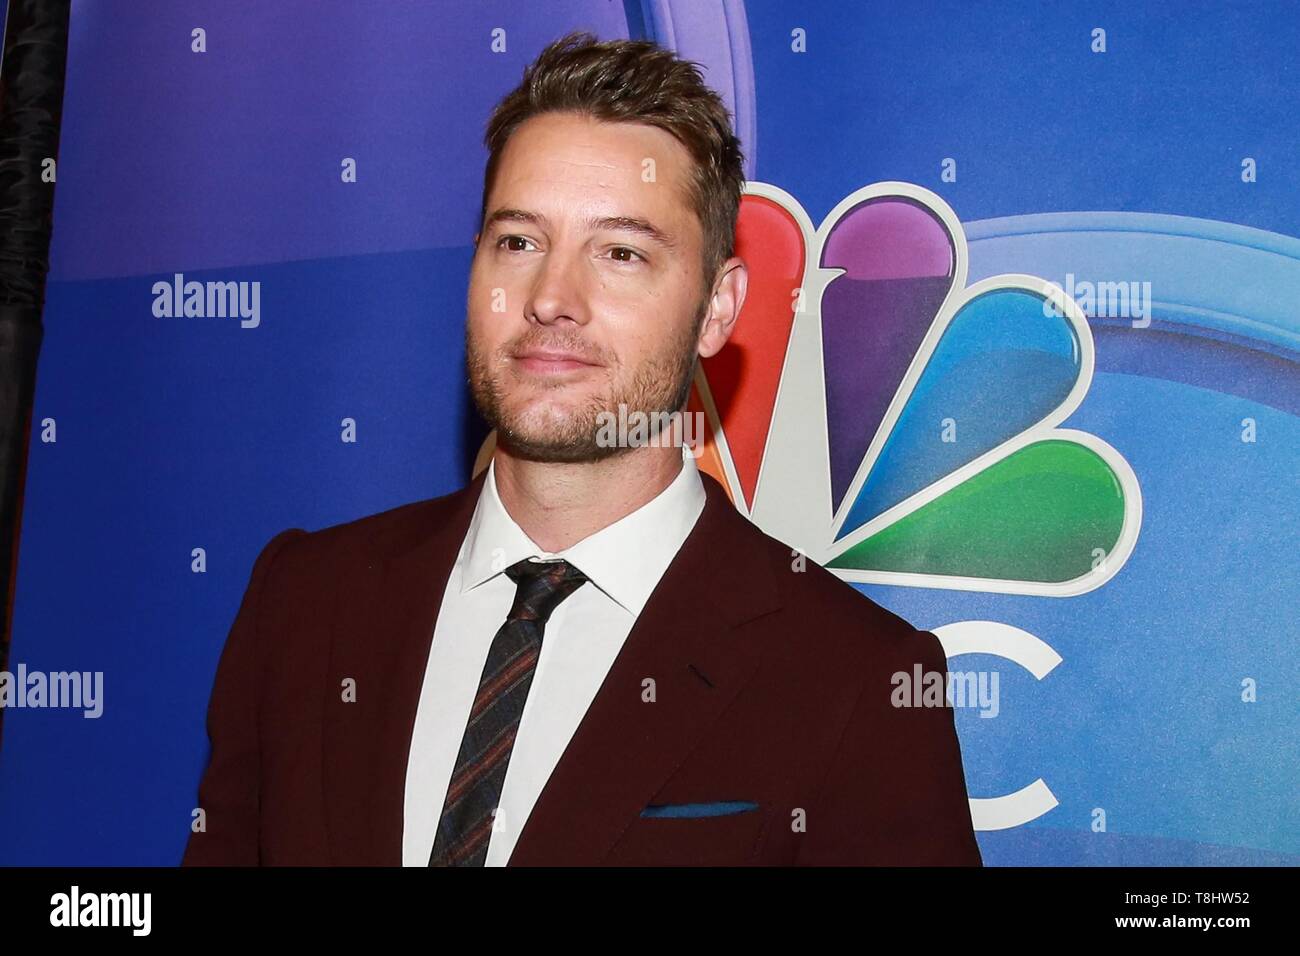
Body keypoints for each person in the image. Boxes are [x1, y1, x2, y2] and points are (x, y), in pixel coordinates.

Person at [182, 31, 981, 867]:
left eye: (622, 253)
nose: (551, 299)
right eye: (519, 241)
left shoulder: (857, 682)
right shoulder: (305, 604)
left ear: (717, 308)